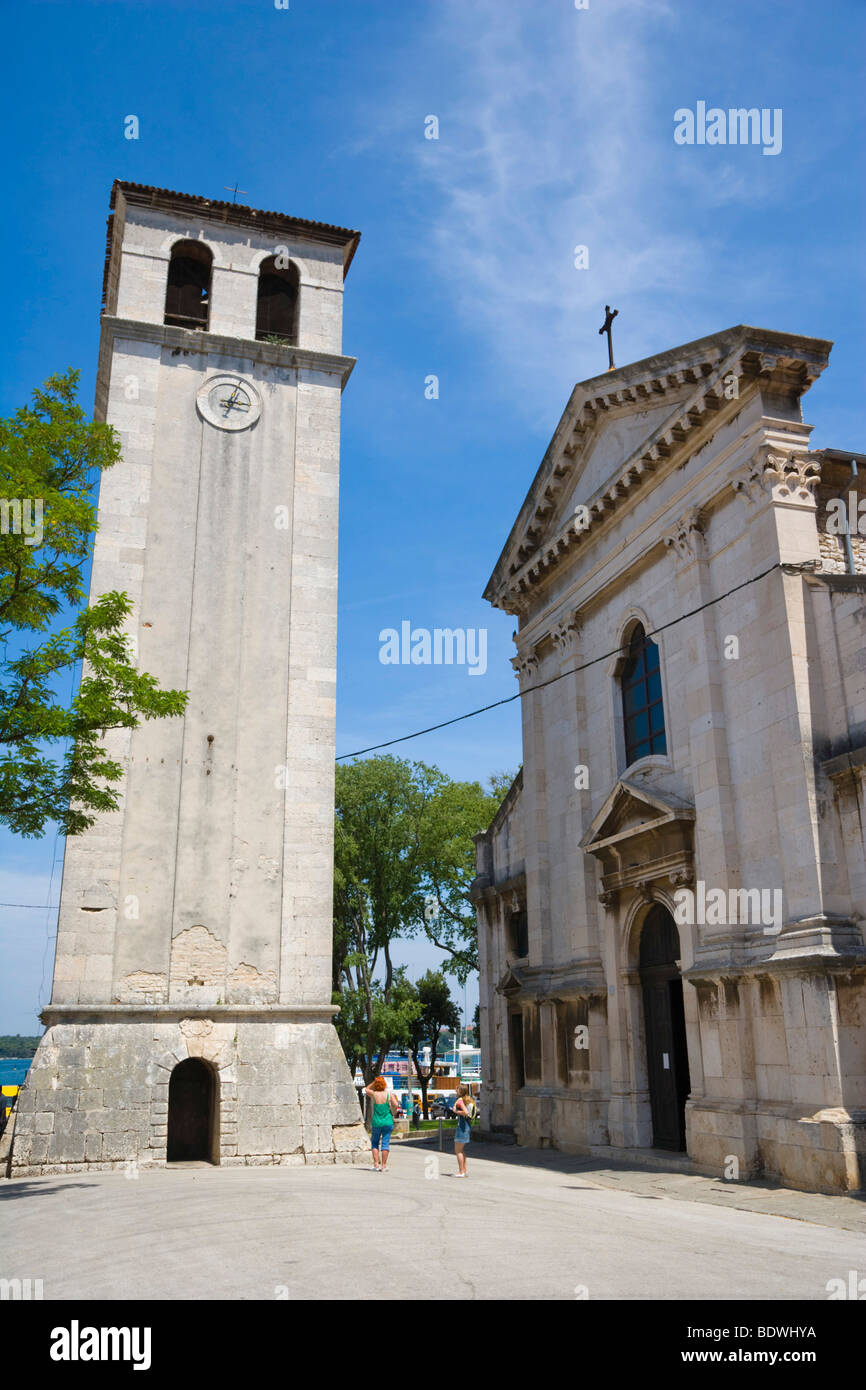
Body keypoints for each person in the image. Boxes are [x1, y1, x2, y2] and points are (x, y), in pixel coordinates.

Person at [364, 1076, 399, 1171]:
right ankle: (383, 1166)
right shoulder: (389, 1094)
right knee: (385, 1143)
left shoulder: (374, 1094)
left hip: (376, 1122)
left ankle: (376, 1164)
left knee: (375, 1143)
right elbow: (396, 1105)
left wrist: (373, 1082)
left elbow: (366, 1089)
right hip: (387, 1122)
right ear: (384, 1084)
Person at [453, 1083, 475, 1177]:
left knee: (458, 1151)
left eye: (457, 1090)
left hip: (462, 1128)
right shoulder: (467, 1100)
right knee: (461, 1150)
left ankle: (461, 1171)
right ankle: (464, 1170)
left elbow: (465, 1112)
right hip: (467, 1127)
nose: (455, 1091)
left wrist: (456, 1111)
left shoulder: (460, 1101)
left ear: (460, 1091)